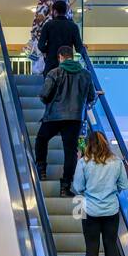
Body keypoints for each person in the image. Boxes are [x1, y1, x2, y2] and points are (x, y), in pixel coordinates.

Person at [72, 130, 128, 256]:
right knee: (111, 247)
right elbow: (123, 186)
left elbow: (77, 187)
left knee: (91, 249)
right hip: (111, 211)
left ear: (89, 144)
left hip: (90, 211)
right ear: (105, 143)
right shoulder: (116, 162)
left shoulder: (83, 162)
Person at [35, 45, 95, 196]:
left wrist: (49, 103)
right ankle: (65, 187)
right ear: (72, 56)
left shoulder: (55, 72)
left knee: (41, 139)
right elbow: (91, 98)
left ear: (60, 57)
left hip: (54, 117)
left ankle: (41, 170)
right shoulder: (86, 74)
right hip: (75, 119)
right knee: (70, 152)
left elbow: (44, 95)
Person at [28, 0, 69, 74]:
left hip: (49, 31)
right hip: (65, 32)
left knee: (50, 64)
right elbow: (69, 14)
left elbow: (39, 16)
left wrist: (34, 34)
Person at [37, 0, 83, 73]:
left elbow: (40, 45)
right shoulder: (73, 26)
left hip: (51, 64)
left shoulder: (48, 25)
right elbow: (79, 48)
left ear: (54, 11)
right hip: (67, 66)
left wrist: (48, 50)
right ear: (65, 11)